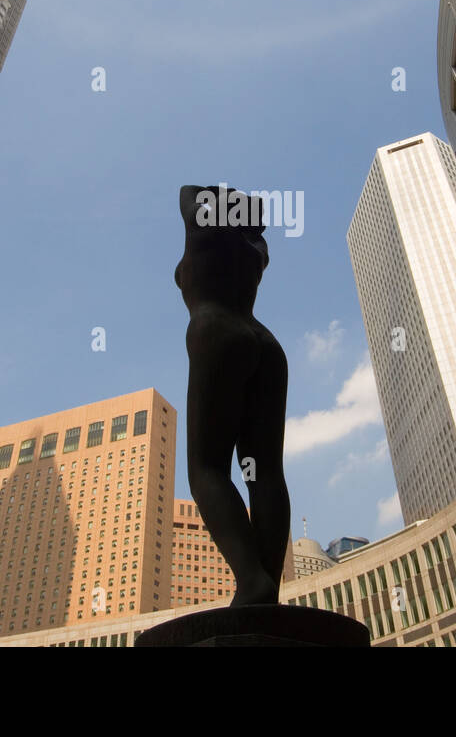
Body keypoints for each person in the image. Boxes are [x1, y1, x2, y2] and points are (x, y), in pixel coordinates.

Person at [175, 184, 290, 606]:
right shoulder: (255, 248)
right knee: (266, 473)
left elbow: (187, 193)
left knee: (206, 468)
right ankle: (266, 586)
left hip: (215, 328)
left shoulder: (202, 228)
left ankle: (251, 578)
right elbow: (248, 210)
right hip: (265, 342)